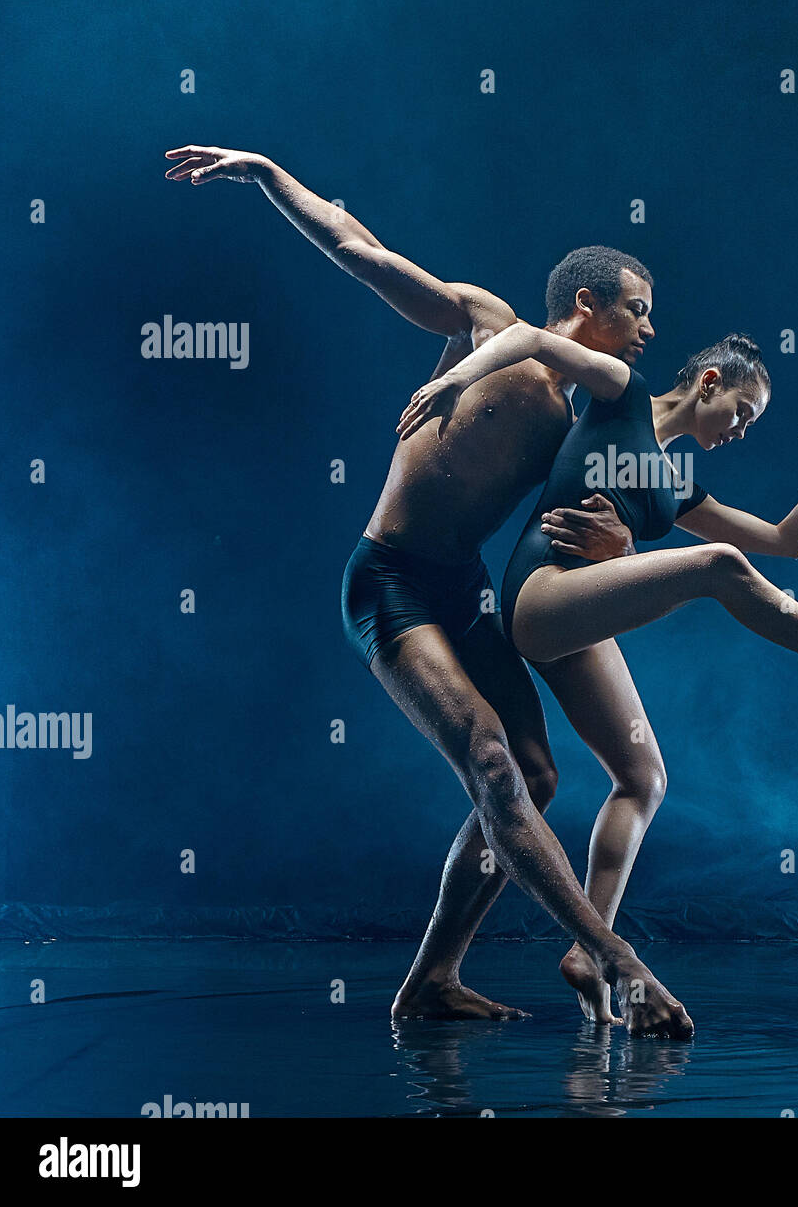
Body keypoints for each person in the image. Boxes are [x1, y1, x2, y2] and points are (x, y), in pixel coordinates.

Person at [164, 144, 693, 1037]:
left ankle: (432, 979)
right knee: (491, 764)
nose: (648, 330)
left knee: (533, 773)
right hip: (390, 581)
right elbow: (360, 249)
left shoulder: (579, 424)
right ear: (587, 303)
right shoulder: (487, 325)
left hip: (467, 588)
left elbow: (594, 522)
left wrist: (619, 541)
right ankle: (615, 956)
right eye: (638, 311)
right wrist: (264, 172)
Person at [398, 323, 798, 1020]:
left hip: (582, 613)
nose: (742, 431)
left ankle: (586, 950)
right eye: (744, 414)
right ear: (711, 384)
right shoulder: (621, 396)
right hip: (540, 595)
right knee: (716, 569)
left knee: (644, 779)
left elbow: (785, 543)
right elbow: (531, 338)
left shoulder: (677, 484)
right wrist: (457, 377)